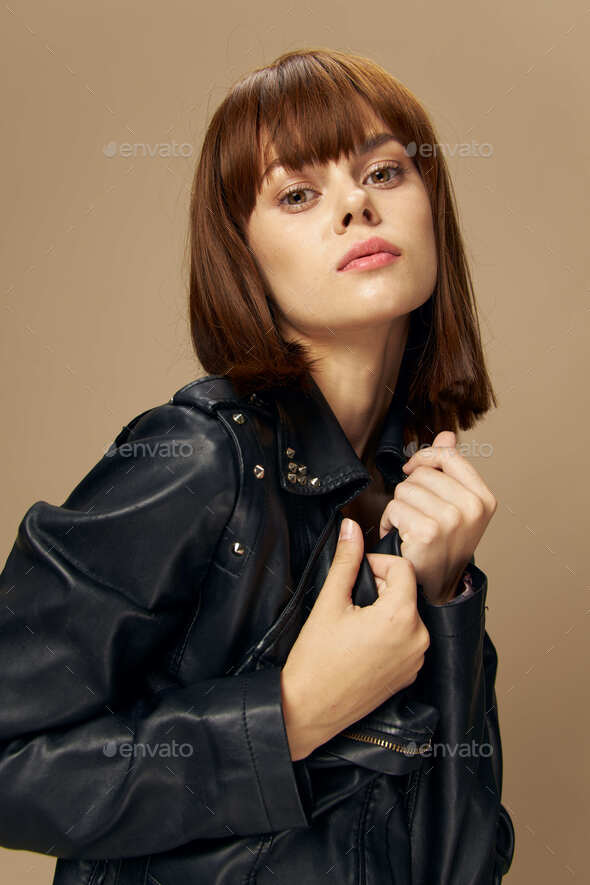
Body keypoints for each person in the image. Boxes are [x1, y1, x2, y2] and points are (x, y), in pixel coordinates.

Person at [0, 47, 515, 883]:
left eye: (385, 172)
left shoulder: (414, 500)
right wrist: (288, 718)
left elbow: (463, 865)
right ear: (243, 255)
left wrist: (445, 601)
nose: (355, 205)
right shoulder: (199, 460)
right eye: (299, 193)